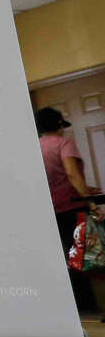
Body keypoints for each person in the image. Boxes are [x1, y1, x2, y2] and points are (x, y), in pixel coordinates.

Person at [36, 106, 100, 312]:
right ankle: (87, 307)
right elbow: (72, 174)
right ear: (58, 125)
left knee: (62, 260)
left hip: (48, 213)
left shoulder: (34, 147)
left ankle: (70, 310)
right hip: (71, 209)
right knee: (80, 259)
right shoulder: (63, 143)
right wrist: (90, 201)